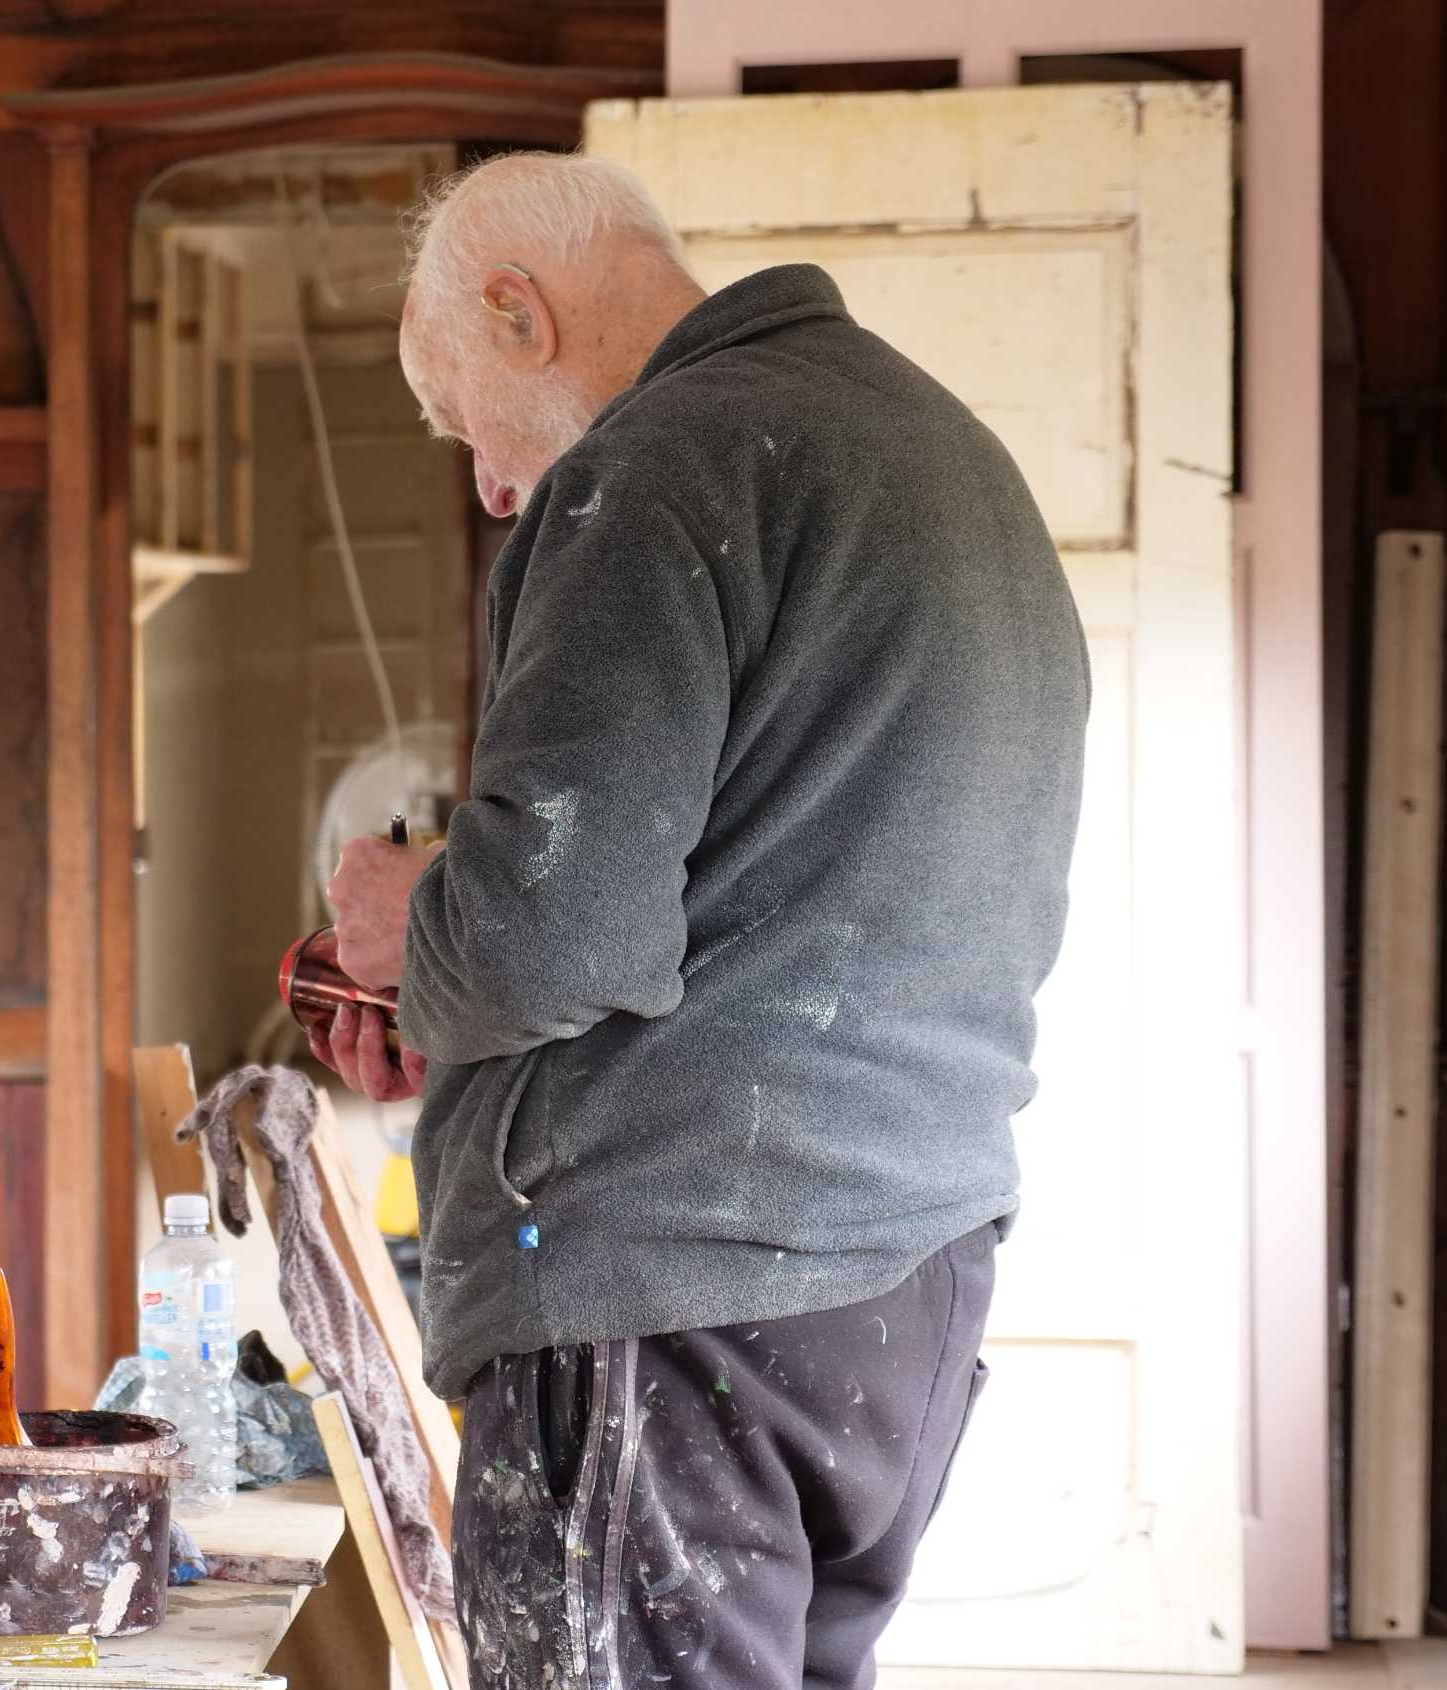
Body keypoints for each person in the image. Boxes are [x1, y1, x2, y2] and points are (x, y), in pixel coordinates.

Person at [310, 151, 1089, 1690]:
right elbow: (772, 879)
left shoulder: (655, 463)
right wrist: (468, 1018)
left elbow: (553, 931)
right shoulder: (942, 453)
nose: (487, 488)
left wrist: (421, 925)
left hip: (678, 1309)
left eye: (470, 425)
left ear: (521, 314)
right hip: (895, 1283)